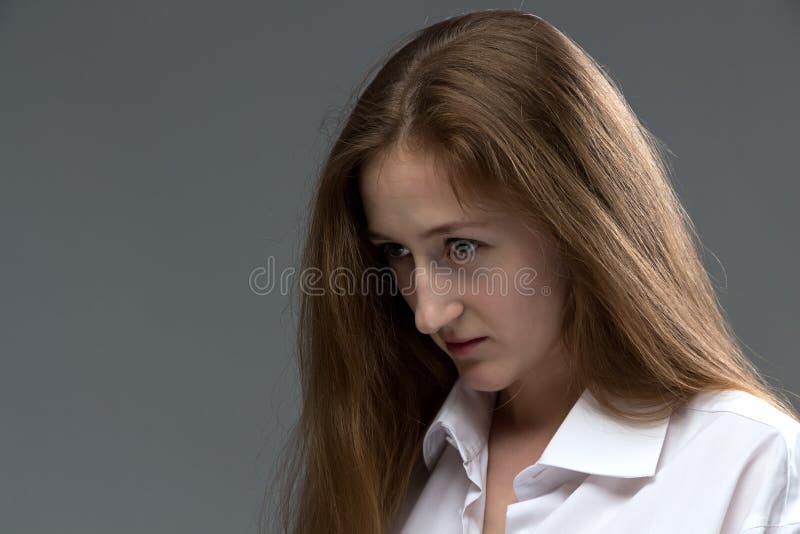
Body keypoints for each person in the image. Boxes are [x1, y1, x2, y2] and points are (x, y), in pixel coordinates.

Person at [264, 9, 800, 534]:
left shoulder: (749, 467)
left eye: (462, 248)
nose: (428, 313)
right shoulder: (389, 467)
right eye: (398, 252)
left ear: (576, 224)